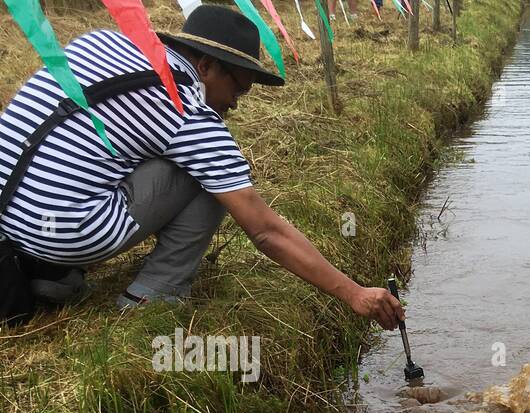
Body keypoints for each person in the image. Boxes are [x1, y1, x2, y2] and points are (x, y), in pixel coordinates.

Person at [0, 5, 402, 326]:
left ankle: (48, 272)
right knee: (217, 181)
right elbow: (264, 230)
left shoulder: (101, 43)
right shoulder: (186, 109)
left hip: (8, 212)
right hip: (67, 232)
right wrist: (354, 293)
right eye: (237, 88)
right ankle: (152, 296)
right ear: (207, 67)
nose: (235, 104)